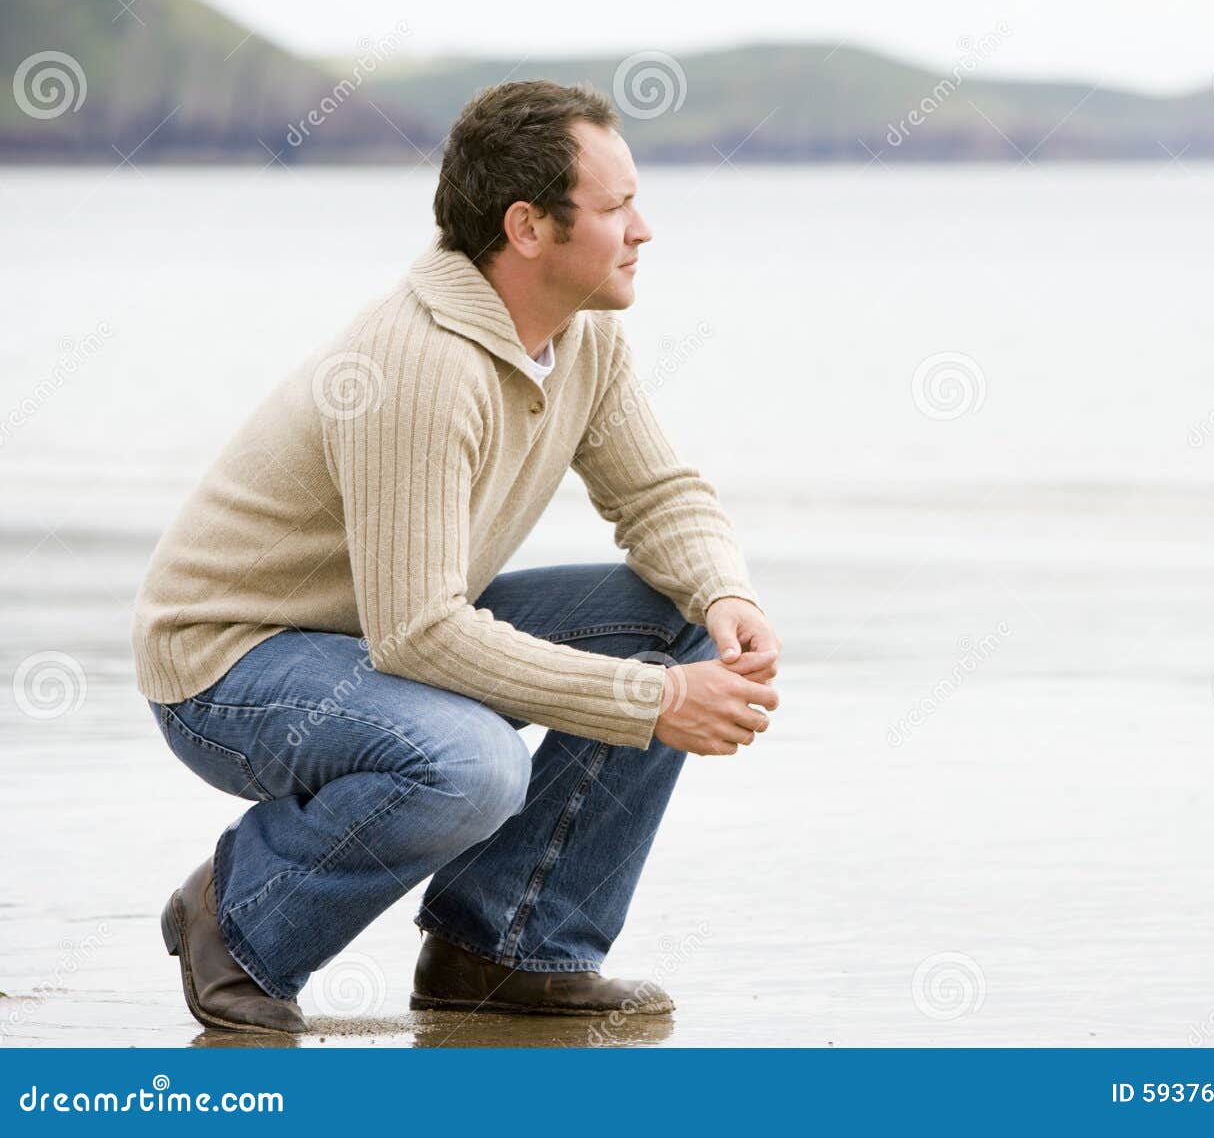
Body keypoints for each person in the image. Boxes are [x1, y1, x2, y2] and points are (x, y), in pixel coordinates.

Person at [130, 80, 782, 1035]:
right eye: (615, 208)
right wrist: (655, 702)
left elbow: (658, 495)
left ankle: (506, 946)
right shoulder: (419, 364)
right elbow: (420, 634)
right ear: (527, 227)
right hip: (230, 665)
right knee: (472, 767)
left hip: (374, 640)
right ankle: (236, 922)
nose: (644, 229)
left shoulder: (582, 335)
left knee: (674, 622)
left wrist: (726, 593)